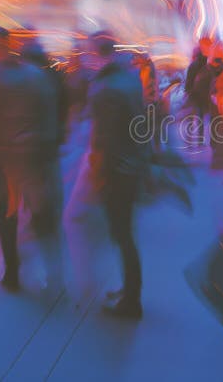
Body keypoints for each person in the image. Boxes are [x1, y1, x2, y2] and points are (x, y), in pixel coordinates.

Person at [0, 27, 60, 291]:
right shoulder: (34, 75)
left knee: (6, 216)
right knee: (39, 211)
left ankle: (12, 272)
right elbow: (49, 114)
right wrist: (47, 150)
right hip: (31, 156)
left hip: (0, 158)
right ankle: (53, 270)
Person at [87, 30, 147, 319]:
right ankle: (129, 290)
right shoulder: (129, 77)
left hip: (117, 169)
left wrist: (100, 173)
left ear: (98, 53)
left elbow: (106, 138)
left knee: (122, 234)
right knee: (125, 234)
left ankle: (131, 301)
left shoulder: (109, 86)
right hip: (129, 165)